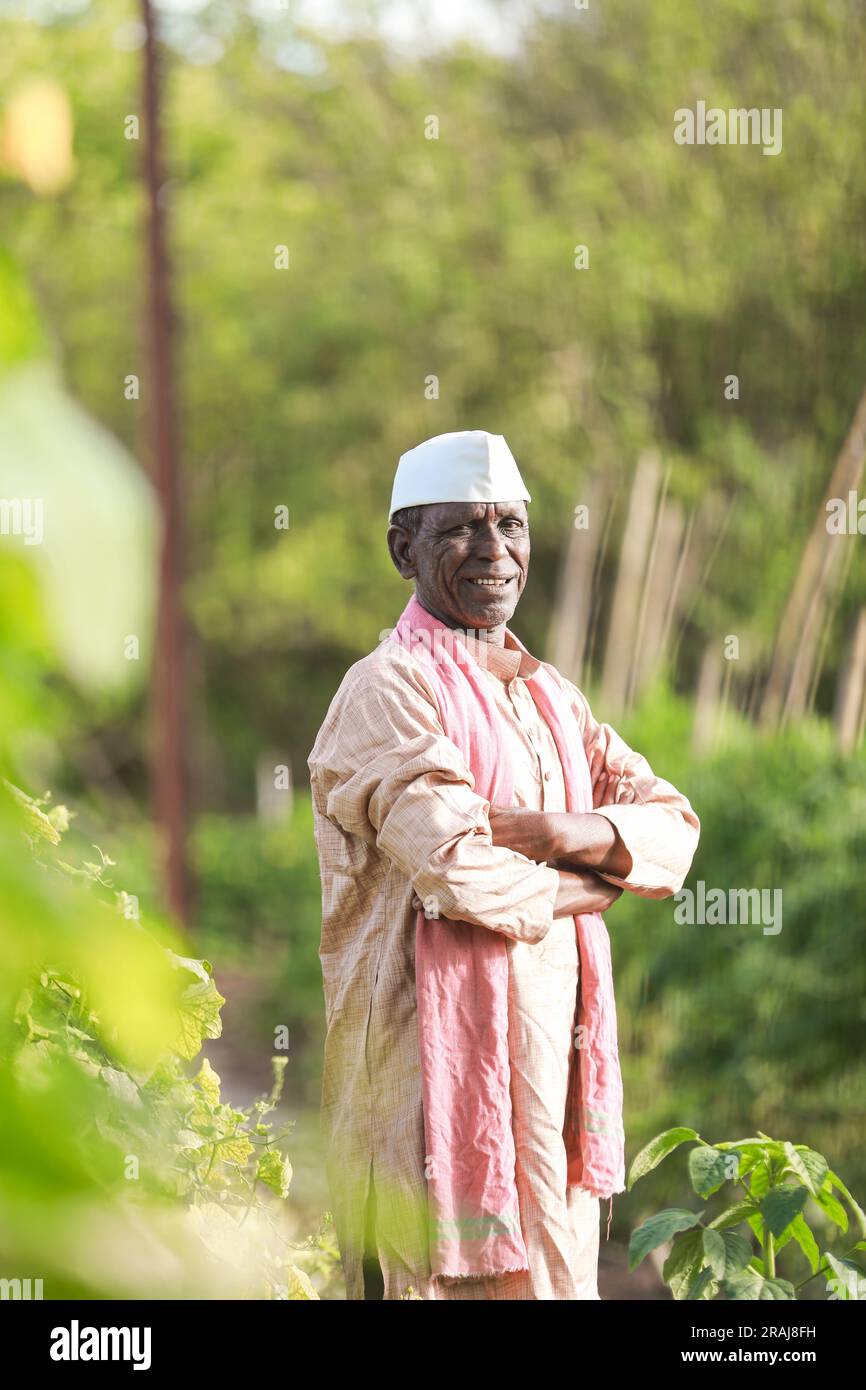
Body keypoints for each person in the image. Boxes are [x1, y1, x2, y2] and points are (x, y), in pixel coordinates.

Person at [307, 429, 699, 1300]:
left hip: (548, 1087)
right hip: (416, 1088)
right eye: (463, 530)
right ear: (403, 549)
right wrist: (595, 882)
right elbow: (457, 870)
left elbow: (672, 826)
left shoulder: (550, 695)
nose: (494, 553)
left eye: (511, 528)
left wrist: (560, 828)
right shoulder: (386, 688)